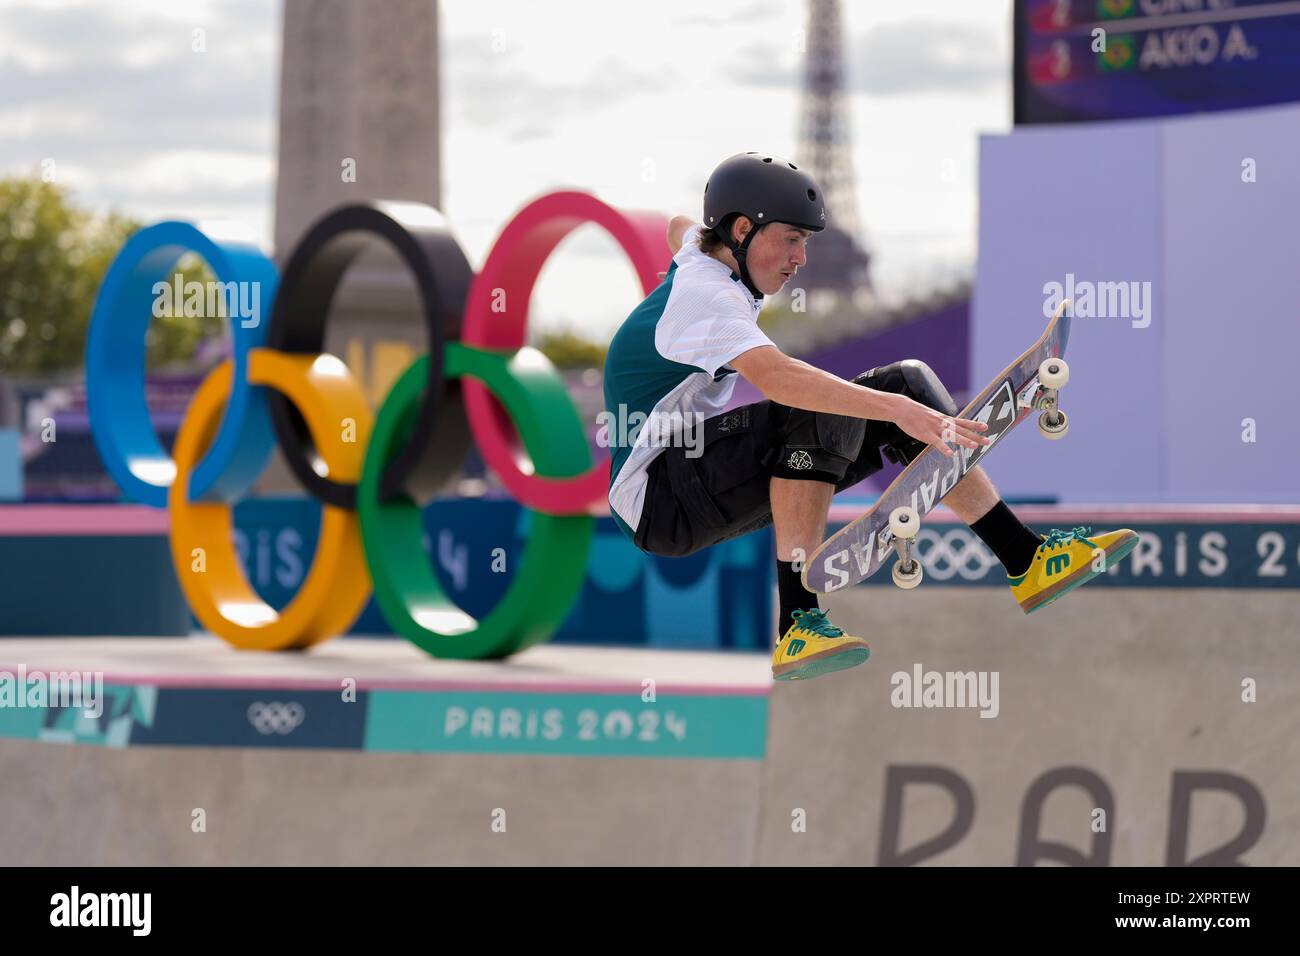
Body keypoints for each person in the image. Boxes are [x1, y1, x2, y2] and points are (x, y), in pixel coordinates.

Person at [602, 151, 1138, 680]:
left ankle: (1025, 559)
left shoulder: (705, 251)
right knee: (819, 402)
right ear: (743, 229)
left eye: (806, 243)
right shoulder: (706, 295)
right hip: (659, 495)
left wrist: (902, 404)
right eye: (791, 239)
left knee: (905, 380)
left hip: (699, 480)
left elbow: (681, 228)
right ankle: (796, 623)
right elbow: (778, 378)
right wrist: (896, 412)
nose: (801, 259)